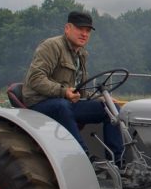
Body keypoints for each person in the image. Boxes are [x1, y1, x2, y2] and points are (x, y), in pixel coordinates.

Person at [22, 11, 123, 162]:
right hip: (39, 102)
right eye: (80, 29)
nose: (84, 34)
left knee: (110, 109)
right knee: (62, 106)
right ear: (67, 28)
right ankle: (84, 159)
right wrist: (63, 92)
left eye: (88, 31)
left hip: (66, 102)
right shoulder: (51, 46)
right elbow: (35, 79)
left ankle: (117, 162)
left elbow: (77, 89)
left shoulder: (81, 54)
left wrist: (100, 97)